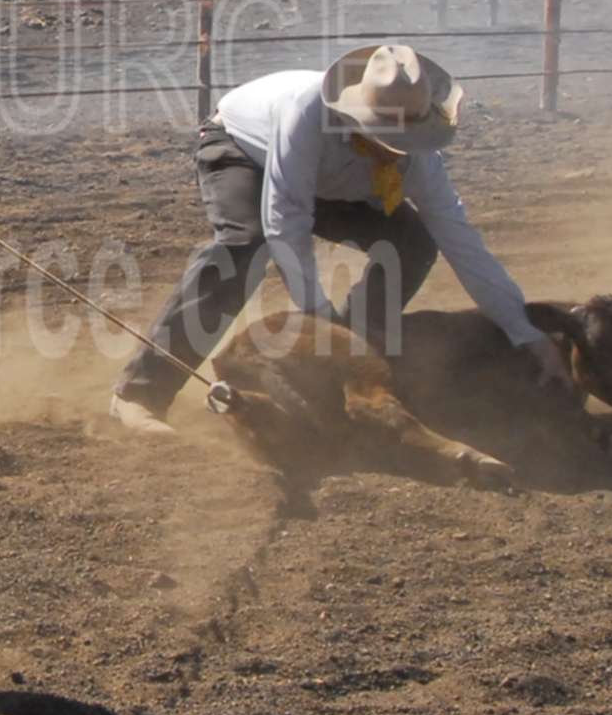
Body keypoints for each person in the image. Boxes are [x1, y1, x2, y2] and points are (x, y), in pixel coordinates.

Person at [109, 43, 569, 434]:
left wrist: (523, 330)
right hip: (244, 151)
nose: (397, 146)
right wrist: (317, 319)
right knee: (242, 246)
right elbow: (285, 219)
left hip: (337, 183)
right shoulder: (306, 113)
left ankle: (353, 361)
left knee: (414, 242)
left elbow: (457, 237)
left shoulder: (418, 160)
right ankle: (140, 394)